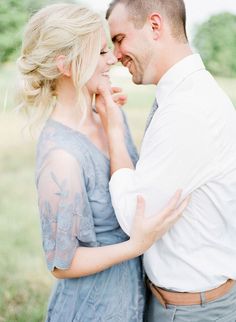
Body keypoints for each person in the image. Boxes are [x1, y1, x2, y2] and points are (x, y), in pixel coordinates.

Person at [16, 3, 189, 322]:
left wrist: (112, 126)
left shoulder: (109, 115)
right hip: (92, 308)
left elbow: (132, 188)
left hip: (129, 299)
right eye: (99, 53)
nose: (112, 59)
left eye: (109, 49)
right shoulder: (61, 156)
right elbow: (61, 264)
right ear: (65, 65)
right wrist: (135, 245)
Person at [94, 0, 236, 321]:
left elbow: (136, 219)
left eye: (119, 39)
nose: (115, 55)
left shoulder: (189, 109)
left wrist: (113, 130)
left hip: (191, 312)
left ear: (154, 26)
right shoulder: (182, 94)